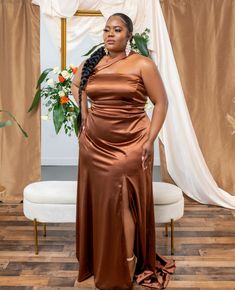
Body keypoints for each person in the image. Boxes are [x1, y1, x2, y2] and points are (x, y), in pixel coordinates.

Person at [71, 12, 175, 290]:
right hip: (94, 145)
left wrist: (150, 139)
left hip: (131, 143)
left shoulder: (142, 64)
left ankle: (128, 260)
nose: (110, 34)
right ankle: (99, 260)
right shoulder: (92, 63)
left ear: (129, 35)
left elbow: (161, 103)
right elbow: (76, 84)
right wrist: (84, 118)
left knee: (121, 202)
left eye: (116, 30)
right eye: (106, 29)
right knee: (102, 202)